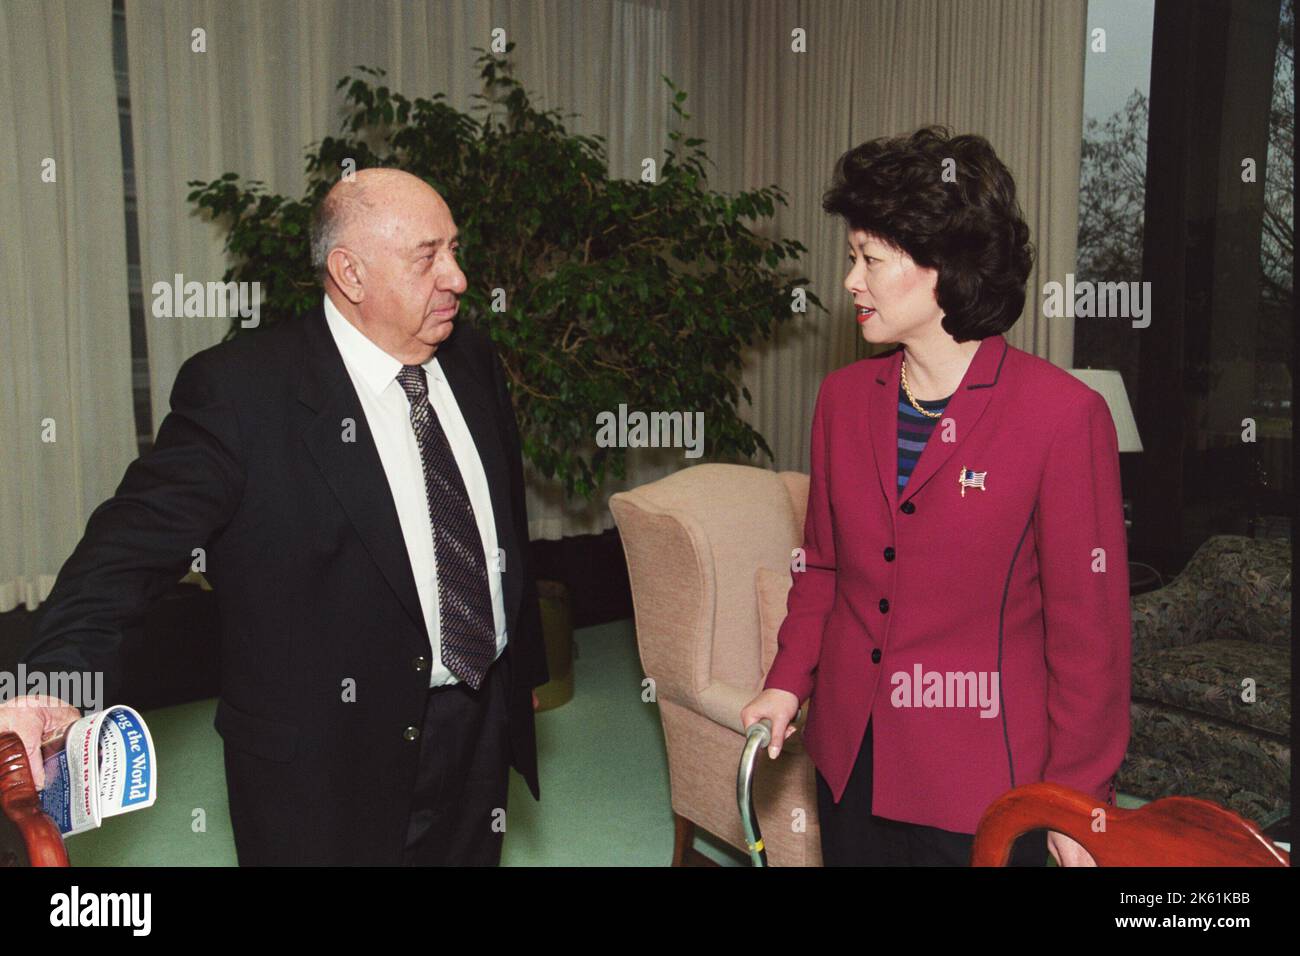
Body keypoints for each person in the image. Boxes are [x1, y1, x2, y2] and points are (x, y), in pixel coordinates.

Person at [2, 168, 549, 865]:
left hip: (477, 729)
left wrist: (518, 668)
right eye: (428, 256)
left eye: (455, 249)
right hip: (324, 767)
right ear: (349, 273)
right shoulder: (242, 392)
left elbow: (501, 525)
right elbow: (128, 547)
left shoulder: (471, 357)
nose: (459, 278)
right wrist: (55, 682)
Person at [741, 126, 1130, 867]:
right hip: (850, 760)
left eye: (870, 259)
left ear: (943, 268)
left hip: (983, 784)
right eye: (852, 256)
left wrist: (1079, 799)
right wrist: (787, 683)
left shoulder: (1061, 416)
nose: (850, 279)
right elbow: (822, 568)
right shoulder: (842, 400)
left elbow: (1091, 637)